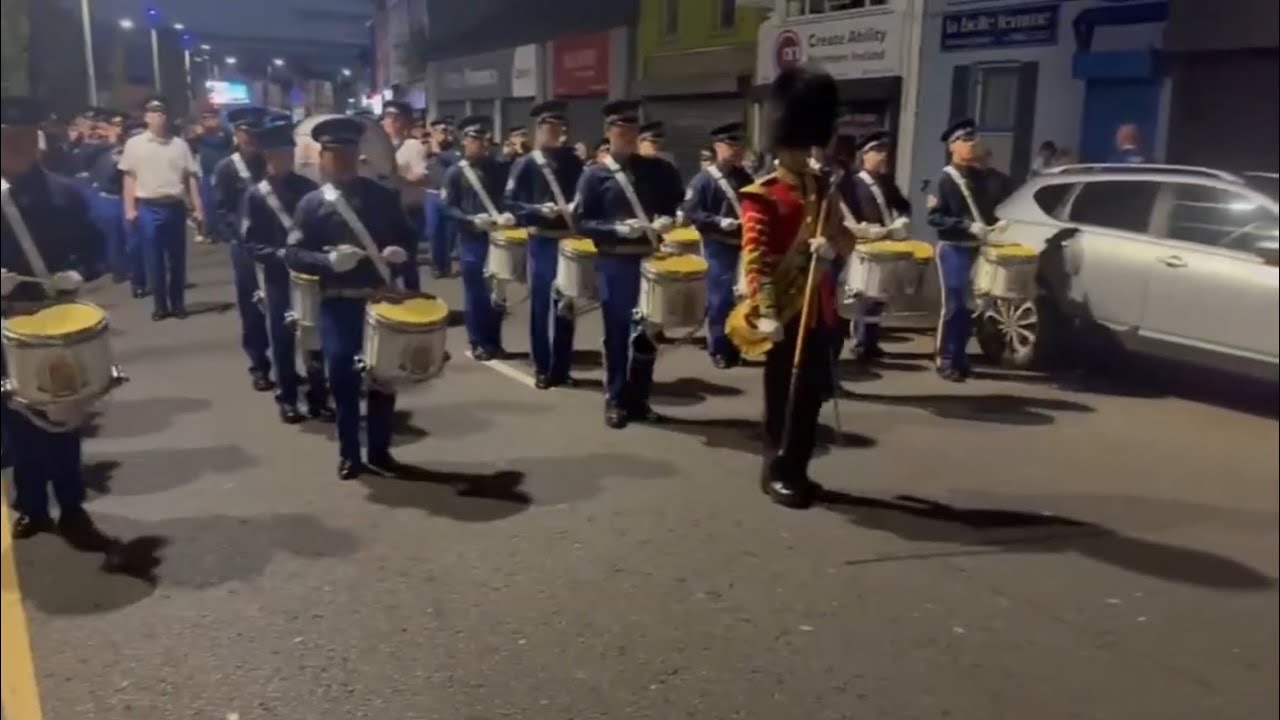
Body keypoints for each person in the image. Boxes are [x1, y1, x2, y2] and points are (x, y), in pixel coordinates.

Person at [286, 116, 419, 479]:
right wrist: (326, 261)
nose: (341, 159)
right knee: (342, 375)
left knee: (382, 375)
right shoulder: (311, 204)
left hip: (380, 300)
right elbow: (294, 254)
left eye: (348, 152)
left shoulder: (382, 197)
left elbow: (409, 237)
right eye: (333, 153)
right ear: (322, 158)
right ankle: (349, 452)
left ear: (358, 154)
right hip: (338, 302)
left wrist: (400, 252)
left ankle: (380, 448)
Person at [0, 95, 106, 539]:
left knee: (63, 415)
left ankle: (72, 502)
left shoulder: (63, 193)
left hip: (58, 320)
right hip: (6, 321)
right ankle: (31, 505)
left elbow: (98, 251)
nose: (18, 147)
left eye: (25, 138)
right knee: (17, 416)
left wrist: (79, 272)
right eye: (9, 139)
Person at [738, 67, 843, 509]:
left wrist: (832, 248)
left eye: (806, 145)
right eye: (796, 147)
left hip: (819, 307)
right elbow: (755, 258)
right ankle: (776, 469)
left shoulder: (823, 186)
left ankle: (798, 466)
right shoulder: (763, 194)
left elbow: (845, 235)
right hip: (783, 308)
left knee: (812, 393)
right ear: (782, 146)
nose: (803, 154)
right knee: (783, 395)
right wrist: (764, 310)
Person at [572, 99, 683, 429]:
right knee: (618, 333)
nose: (629, 135)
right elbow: (581, 223)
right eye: (622, 129)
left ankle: (641, 398)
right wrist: (616, 229)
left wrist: (667, 221)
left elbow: (675, 205)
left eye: (633, 129)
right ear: (608, 133)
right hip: (615, 263)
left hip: (650, 261)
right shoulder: (594, 176)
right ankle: (617, 398)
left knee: (649, 332)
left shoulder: (656, 170)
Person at [241, 119, 334, 425]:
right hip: (278, 275)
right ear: (268, 156)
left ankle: (319, 397)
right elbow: (251, 242)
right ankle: (288, 397)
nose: (286, 158)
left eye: (289, 152)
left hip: (308, 272)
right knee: (281, 336)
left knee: (315, 337)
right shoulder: (257, 195)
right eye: (279, 153)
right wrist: (279, 255)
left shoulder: (307, 188)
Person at [503, 100, 585, 388]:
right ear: (539, 129)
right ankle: (542, 365)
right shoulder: (525, 163)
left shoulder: (572, 161)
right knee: (542, 305)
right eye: (551, 127)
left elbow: (584, 194)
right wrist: (537, 210)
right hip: (541, 240)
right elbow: (510, 202)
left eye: (560, 127)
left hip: (568, 239)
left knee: (567, 305)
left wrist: (578, 206)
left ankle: (561, 367)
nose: (557, 133)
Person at [927, 118, 1004, 382]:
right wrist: (967, 226)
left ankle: (960, 357)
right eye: (966, 140)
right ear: (952, 146)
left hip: (977, 249)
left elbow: (992, 205)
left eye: (974, 139)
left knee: (972, 308)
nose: (973, 144)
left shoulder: (980, 177)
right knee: (954, 306)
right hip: (954, 249)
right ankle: (945, 359)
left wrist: (996, 224)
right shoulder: (944, 180)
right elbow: (935, 218)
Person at [118, 96, 204, 321]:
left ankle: (178, 304)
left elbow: (191, 177)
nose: (159, 118)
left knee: (177, 259)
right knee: (153, 258)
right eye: (154, 114)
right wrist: (129, 209)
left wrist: (198, 208)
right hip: (148, 206)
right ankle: (160, 305)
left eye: (162, 113)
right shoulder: (134, 145)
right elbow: (129, 177)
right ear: (146, 117)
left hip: (174, 205)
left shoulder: (179, 145)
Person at [681, 121, 753, 369]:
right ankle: (719, 349)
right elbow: (691, 211)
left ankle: (737, 345)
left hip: (743, 244)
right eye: (730, 145)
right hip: (717, 244)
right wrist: (718, 221)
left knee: (741, 299)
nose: (736, 150)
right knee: (720, 299)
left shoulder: (744, 177)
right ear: (717, 147)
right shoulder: (703, 180)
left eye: (739, 145)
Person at [442, 115, 513, 361]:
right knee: (476, 294)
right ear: (465, 141)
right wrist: (470, 219)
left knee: (497, 293)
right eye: (475, 139)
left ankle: (495, 340)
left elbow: (506, 199)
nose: (481, 145)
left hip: (496, 237)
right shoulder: (455, 173)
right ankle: (478, 341)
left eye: (484, 140)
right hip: (471, 239)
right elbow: (447, 208)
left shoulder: (497, 169)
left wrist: (507, 215)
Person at [214, 106, 274, 391]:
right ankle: (259, 364)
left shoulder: (273, 162)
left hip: (277, 244)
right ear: (236, 134)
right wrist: (239, 237)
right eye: (244, 132)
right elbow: (223, 209)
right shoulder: (227, 168)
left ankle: (288, 365)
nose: (251, 137)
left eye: (255, 132)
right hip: (246, 247)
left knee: (284, 306)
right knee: (252, 307)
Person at [846, 130, 911, 363]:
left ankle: (872, 342)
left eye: (886, 152)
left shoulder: (886, 181)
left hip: (885, 242)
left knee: (879, 296)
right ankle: (861, 342)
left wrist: (902, 220)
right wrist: (861, 229)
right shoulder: (852, 183)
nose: (884, 156)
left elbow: (903, 205)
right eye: (879, 152)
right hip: (862, 244)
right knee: (864, 295)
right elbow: (845, 215)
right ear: (865, 155)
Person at [381, 101, 429, 260]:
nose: (390, 121)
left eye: (395, 117)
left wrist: (399, 179)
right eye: (387, 116)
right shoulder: (376, 146)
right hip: (383, 211)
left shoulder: (413, 146)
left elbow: (422, 177)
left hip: (408, 212)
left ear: (405, 122)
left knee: (408, 262)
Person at [87, 112, 130, 286]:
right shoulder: (97, 147)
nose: (117, 128)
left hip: (122, 196)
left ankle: (128, 267)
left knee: (127, 234)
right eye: (114, 125)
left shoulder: (126, 146)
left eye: (120, 125)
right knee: (114, 236)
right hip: (107, 197)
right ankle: (119, 269)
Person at [189, 107, 234, 243]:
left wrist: (201, 136)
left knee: (225, 203)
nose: (209, 120)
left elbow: (219, 144)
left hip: (224, 174)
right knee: (209, 205)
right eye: (205, 118)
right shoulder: (198, 137)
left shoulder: (225, 133)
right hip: (207, 174)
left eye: (212, 117)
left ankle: (227, 232)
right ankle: (212, 232)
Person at [424, 117, 460, 278]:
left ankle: (446, 265)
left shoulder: (454, 150)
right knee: (434, 231)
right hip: (432, 194)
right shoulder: (426, 149)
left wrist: (439, 151)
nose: (443, 135)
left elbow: (457, 162)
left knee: (449, 233)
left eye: (446, 131)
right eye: (439, 131)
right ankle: (436, 265)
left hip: (450, 195)